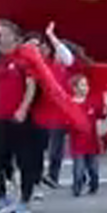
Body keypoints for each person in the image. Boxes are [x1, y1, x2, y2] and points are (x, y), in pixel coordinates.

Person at [0, 20, 39, 213]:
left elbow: (31, 86)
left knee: (24, 159)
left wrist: (23, 109)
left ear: (14, 37)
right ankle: (2, 196)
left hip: (19, 118)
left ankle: (25, 200)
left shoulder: (24, 60)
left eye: (0, 34)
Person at [32, 23, 77, 190]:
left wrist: (52, 36)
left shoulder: (61, 65)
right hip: (43, 113)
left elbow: (68, 58)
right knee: (43, 147)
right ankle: (42, 176)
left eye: (43, 47)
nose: (41, 50)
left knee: (57, 147)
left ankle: (54, 175)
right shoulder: (39, 66)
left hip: (62, 113)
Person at [67, 74, 102, 196]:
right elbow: (67, 122)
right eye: (82, 85)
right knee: (79, 168)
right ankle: (77, 186)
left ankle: (94, 185)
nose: (86, 87)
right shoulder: (70, 104)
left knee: (93, 168)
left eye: (86, 85)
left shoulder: (92, 102)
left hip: (92, 142)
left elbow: (101, 114)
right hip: (78, 143)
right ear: (74, 88)